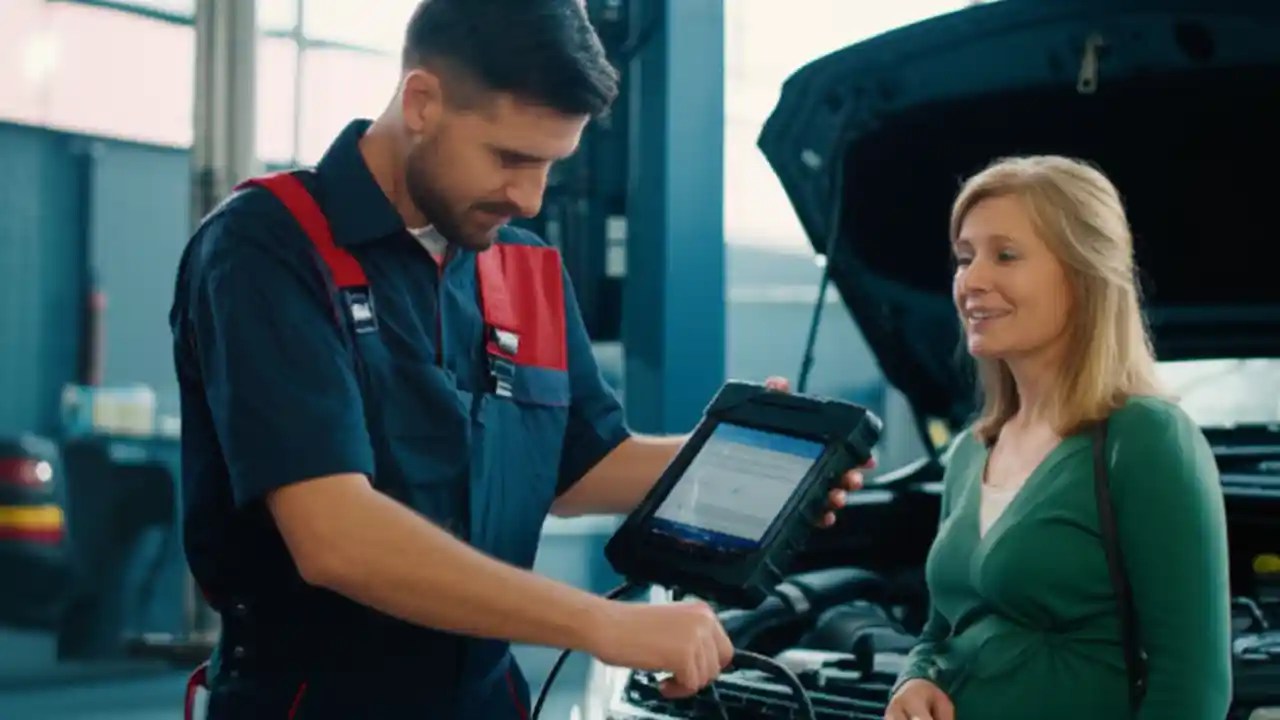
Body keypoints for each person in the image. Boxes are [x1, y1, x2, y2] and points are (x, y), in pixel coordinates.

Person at [168, 1, 866, 718]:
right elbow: (336, 537)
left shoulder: (523, 269)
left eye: (552, 166)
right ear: (421, 101)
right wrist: (605, 623)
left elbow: (581, 467)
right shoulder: (269, 247)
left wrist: (752, 462)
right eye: (511, 158)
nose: (529, 198)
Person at [883, 155, 1233, 720]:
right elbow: (940, 630)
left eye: (1006, 255)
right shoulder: (972, 450)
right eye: (965, 258)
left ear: (1083, 273)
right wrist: (913, 680)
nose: (971, 280)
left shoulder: (1146, 440)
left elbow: (1192, 692)